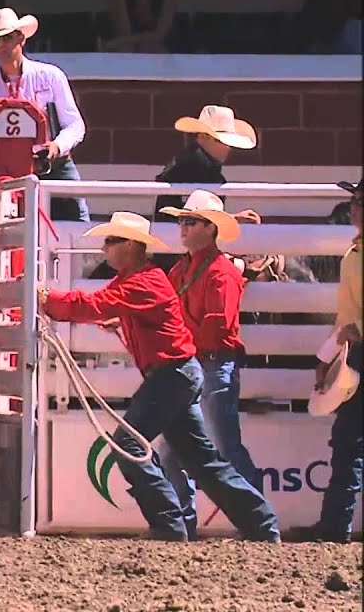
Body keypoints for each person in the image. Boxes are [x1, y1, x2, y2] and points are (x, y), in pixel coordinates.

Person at [38, 211, 280, 542]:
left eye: (111, 241)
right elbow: (108, 305)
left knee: (128, 444)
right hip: (178, 373)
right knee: (201, 460)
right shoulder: (140, 278)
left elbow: (97, 304)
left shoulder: (142, 280)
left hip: (172, 375)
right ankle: (261, 525)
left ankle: (169, 524)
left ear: (131, 246)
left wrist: (46, 299)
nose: (105, 248)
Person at [154, 191, 261, 541]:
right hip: (200, 366)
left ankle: (257, 518)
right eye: (181, 221)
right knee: (175, 447)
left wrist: (175, 338)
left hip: (210, 366)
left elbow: (217, 329)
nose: (182, 227)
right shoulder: (186, 269)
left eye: (189, 221)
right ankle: (185, 524)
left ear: (209, 227)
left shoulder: (220, 273)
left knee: (221, 445)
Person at [0, 7, 90, 222]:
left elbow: (75, 125)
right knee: (12, 239)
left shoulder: (51, 76)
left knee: (75, 230)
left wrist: (56, 146)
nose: (1, 47)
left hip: (55, 167)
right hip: (10, 173)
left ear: (21, 38)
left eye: (6, 38)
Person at [306, 177, 362, 543]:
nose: (356, 207)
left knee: (348, 440)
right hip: (357, 353)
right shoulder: (353, 252)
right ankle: (334, 526)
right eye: (356, 200)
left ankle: (335, 526)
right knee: (346, 441)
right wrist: (329, 354)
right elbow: (345, 317)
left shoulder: (354, 253)